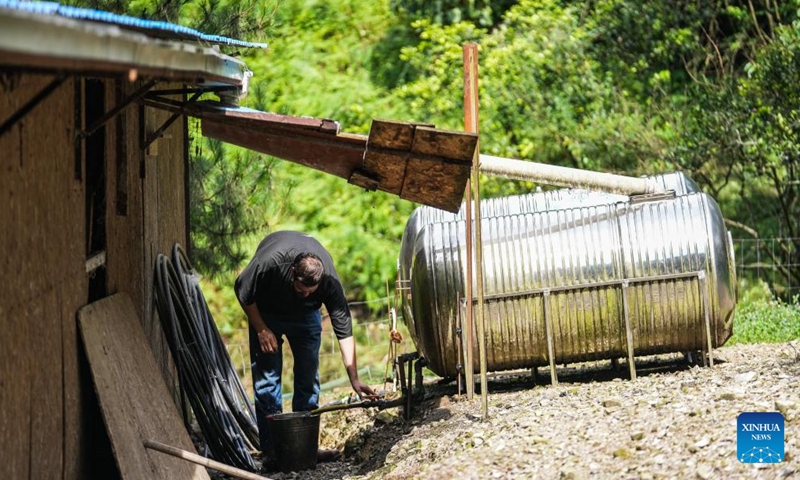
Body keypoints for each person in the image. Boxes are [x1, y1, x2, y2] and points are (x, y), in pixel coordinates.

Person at [235, 231, 376, 465]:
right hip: (267, 314)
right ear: (292, 273)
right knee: (268, 380)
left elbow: (344, 329)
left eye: (311, 291)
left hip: (306, 317)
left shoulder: (329, 282)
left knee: (308, 378)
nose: (305, 294)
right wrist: (260, 328)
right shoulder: (270, 262)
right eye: (301, 289)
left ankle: (305, 449)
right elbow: (242, 289)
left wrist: (354, 378)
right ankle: (272, 452)